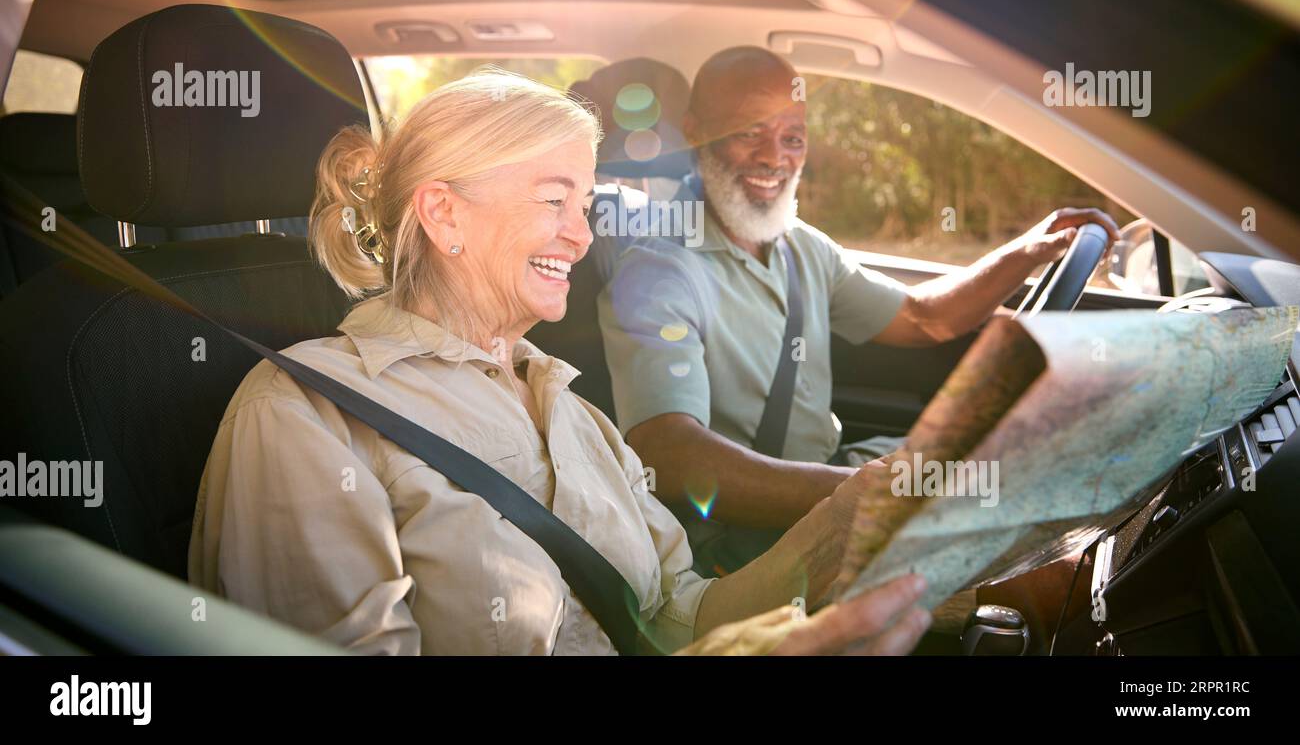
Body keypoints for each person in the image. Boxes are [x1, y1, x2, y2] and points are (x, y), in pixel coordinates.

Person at [188, 69, 931, 655]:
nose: (581, 237)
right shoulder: (302, 416)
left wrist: (839, 527)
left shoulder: (573, 410)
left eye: (587, 204)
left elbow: (674, 614)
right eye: (554, 201)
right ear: (444, 213)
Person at [596, 47, 1120, 575]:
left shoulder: (801, 246)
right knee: (1040, 574)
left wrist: (1028, 249)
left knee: (1032, 463)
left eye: (792, 137)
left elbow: (922, 317)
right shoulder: (659, 271)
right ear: (695, 132)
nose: (774, 158)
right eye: (748, 133)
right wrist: (870, 497)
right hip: (751, 546)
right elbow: (671, 455)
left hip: (830, 479)